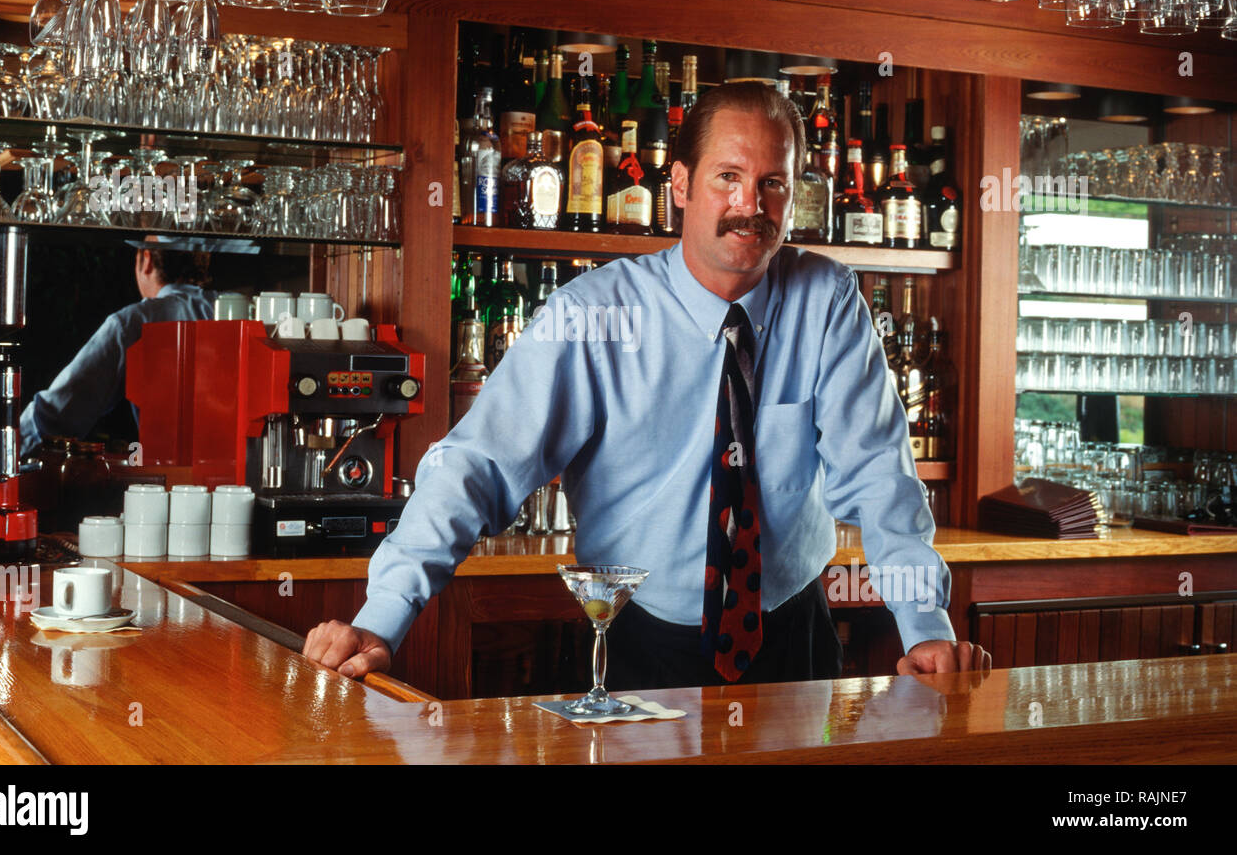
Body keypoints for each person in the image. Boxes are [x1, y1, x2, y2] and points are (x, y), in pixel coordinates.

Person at [304, 82, 990, 686]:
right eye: (727, 177)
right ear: (682, 186)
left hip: (794, 633)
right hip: (635, 639)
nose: (749, 205)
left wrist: (925, 625)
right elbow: (478, 465)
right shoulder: (593, 314)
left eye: (772, 183)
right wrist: (384, 616)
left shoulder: (826, 297)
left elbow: (880, 480)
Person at [19, 243, 214, 457]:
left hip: (167, 483)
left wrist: (2, 450)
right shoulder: (241, 310)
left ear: (146, 260)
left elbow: (58, 414)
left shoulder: (134, 322)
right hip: (245, 486)